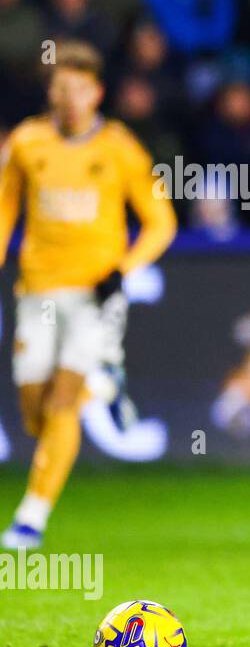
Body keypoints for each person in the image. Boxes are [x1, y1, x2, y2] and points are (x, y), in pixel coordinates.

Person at [0, 41, 176, 549]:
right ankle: (105, 385)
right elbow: (5, 210)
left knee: (63, 402)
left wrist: (124, 270)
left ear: (97, 92)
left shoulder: (119, 147)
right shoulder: (28, 142)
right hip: (38, 289)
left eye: (80, 87)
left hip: (96, 295)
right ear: (50, 91)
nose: (70, 97)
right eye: (61, 87)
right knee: (34, 408)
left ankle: (30, 518)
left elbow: (161, 221)